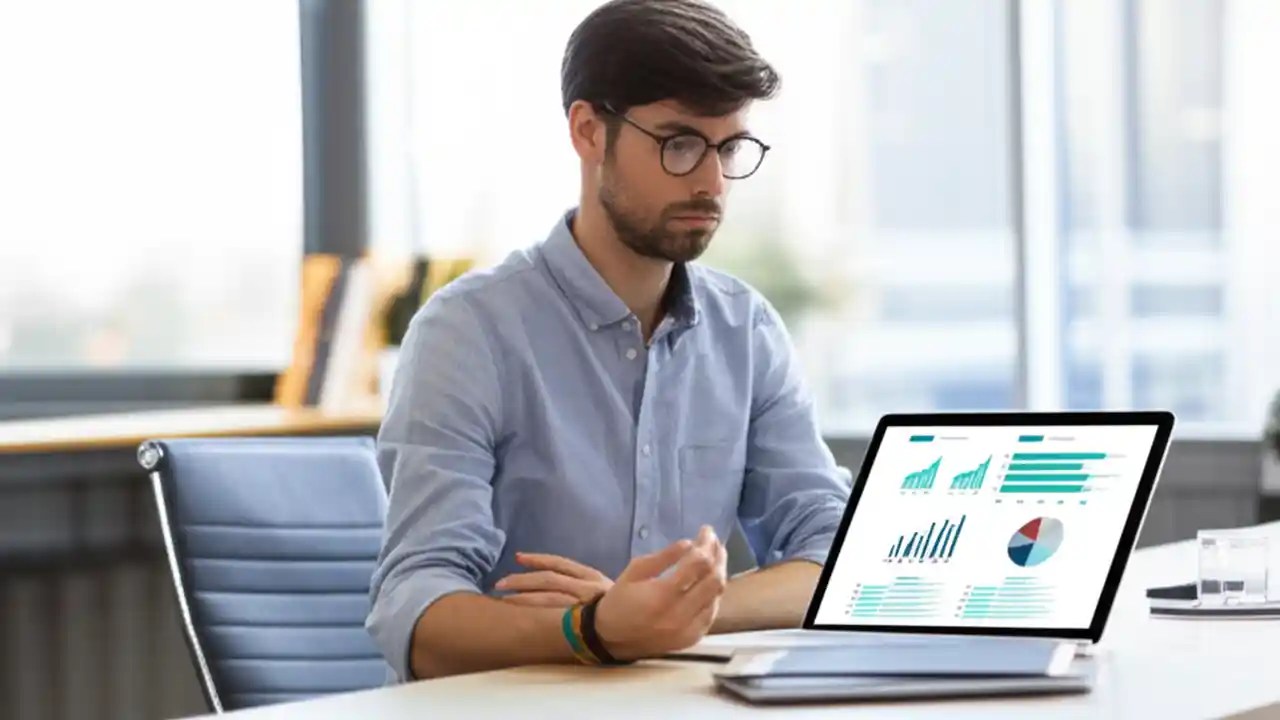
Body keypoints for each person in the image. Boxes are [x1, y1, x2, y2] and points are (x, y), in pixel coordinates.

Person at [367, 0, 851, 681]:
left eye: (730, 148)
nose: (711, 181)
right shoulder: (467, 333)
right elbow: (415, 615)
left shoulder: (747, 331)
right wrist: (590, 628)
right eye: (679, 144)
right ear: (589, 131)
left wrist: (674, 615)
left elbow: (834, 561)